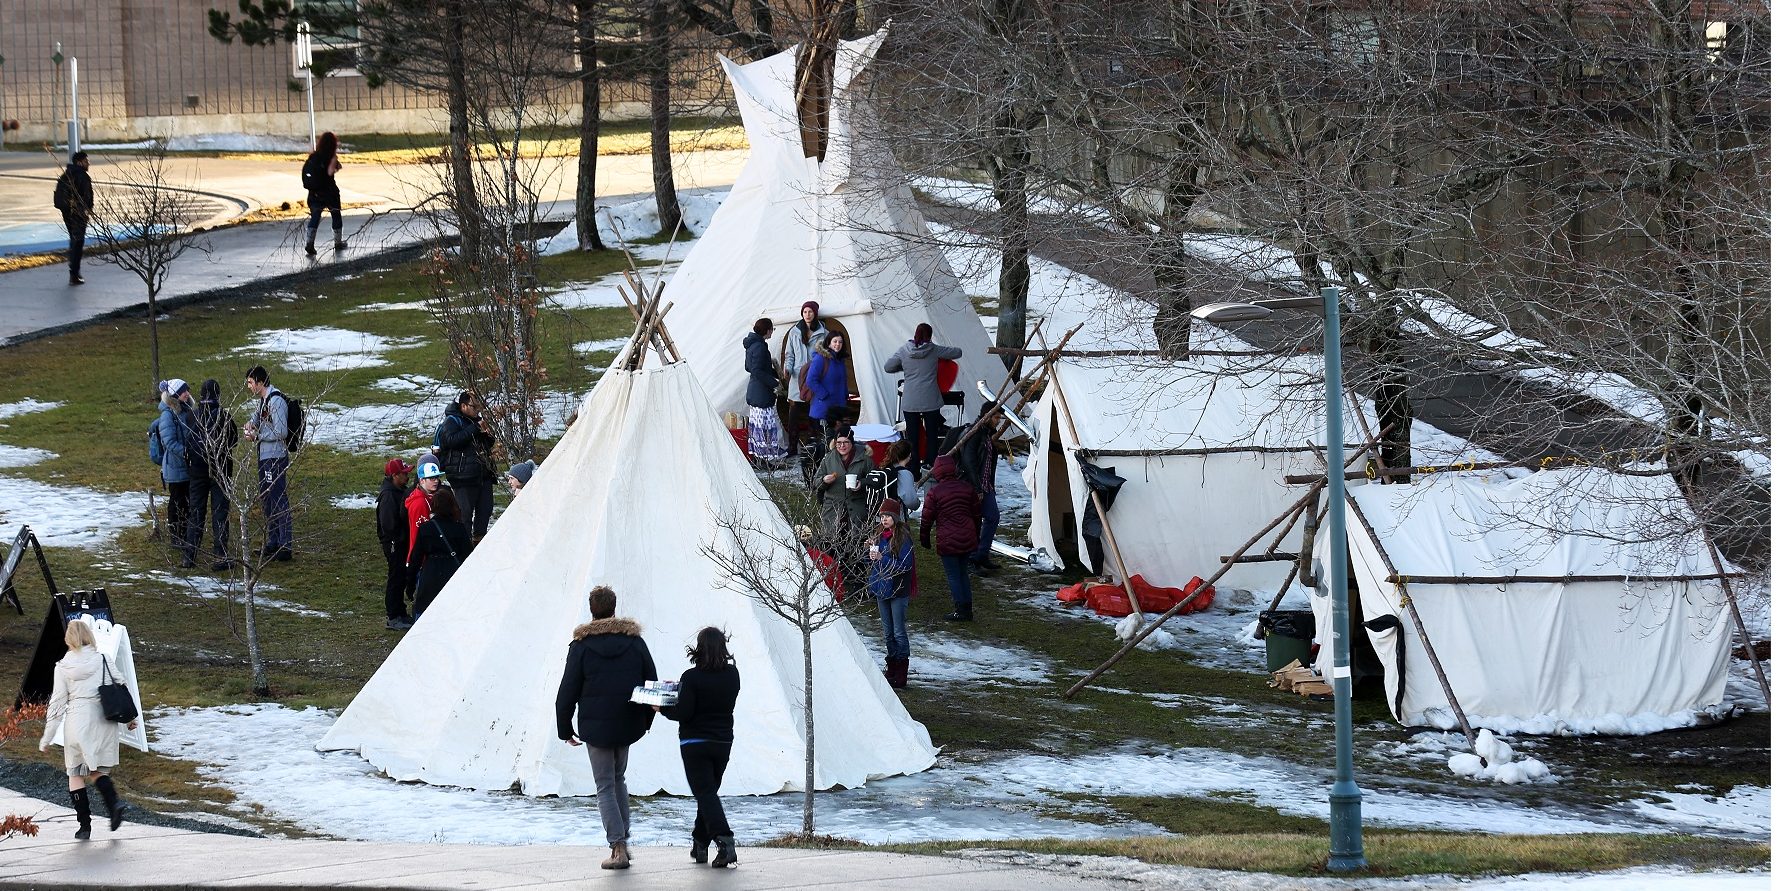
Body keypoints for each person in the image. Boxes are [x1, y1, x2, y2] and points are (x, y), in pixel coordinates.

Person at [556, 586, 657, 871]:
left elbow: (568, 691)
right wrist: (645, 722)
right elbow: (651, 682)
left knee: (604, 785)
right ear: (614, 607)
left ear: (592, 609)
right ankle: (623, 838)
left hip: (596, 726)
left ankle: (618, 847)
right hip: (627, 722)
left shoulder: (581, 646)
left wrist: (565, 729)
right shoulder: (634, 642)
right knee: (618, 779)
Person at [38, 619, 137, 839]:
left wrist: (47, 737)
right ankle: (114, 804)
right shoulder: (103, 659)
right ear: (89, 636)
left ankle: (84, 826)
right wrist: (130, 718)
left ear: (69, 639)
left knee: (75, 773)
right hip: (104, 719)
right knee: (96, 770)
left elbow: (57, 703)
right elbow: (121, 686)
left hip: (77, 721)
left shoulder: (63, 667)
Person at [656, 627, 741, 869]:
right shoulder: (733, 675)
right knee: (709, 793)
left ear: (699, 648)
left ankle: (725, 842)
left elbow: (684, 712)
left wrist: (661, 707)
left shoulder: (691, 677)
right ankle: (700, 843)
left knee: (705, 794)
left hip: (695, 743)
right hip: (723, 741)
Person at [883, 323, 964, 468]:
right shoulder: (933, 350)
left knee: (912, 437)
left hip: (910, 400)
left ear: (915, 334)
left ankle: (912, 469)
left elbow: (888, 367)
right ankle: (931, 468)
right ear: (930, 335)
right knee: (932, 436)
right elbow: (957, 352)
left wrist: (905, 366)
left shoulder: (904, 350)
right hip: (930, 399)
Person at [183, 378, 238, 572]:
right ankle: (220, 555)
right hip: (220, 470)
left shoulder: (192, 416)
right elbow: (233, 440)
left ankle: (189, 555)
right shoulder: (224, 416)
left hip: (197, 470)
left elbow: (186, 441)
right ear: (218, 394)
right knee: (219, 513)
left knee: (195, 511)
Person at [920, 455, 982, 621]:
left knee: (953, 576)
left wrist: (924, 539)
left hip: (947, 540)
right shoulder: (967, 488)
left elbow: (926, 519)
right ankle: (967, 608)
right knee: (963, 574)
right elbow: (977, 515)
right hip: (967, 537)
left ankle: (960, 610)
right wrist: (976, 535)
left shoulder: (935, 493)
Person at [943, 403, 1002, 575]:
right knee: (972, 523)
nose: (998, 421)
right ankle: (970, 559)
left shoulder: (985, 434)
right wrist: (976, 487)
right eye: (996, 417)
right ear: (987, 415)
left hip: (984, 485)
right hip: (973, 485)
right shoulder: (975, 433)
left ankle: (981, 554)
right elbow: (969, 461)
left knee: (992, 517)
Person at [243, 366, 294, 561]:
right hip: (265, 456)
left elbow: (281, 432)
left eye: (250, 382)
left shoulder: (276, 401)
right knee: (267, 498)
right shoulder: (263, 401)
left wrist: (258, 435)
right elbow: (256, 419)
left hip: (275, 457)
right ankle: (273, 540)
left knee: (279, 498)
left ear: (260, 382)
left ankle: (285, 544)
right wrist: (250, 425)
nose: (248, 386)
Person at [435, 390, 496, 544]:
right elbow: (452, 440)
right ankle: (464, 547)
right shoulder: (452, 421)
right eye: (474, 407)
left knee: (485, 510)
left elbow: (488, 445)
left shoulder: (476, 422)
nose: (477, 410)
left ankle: (479, 541)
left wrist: (487, 434)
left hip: (483, 474)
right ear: (463, 406)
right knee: (465, 515)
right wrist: (475, 428)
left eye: (479, 407)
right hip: (463, 476)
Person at [867, 499, 916, 689]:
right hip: (881, 588)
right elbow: (871, 562)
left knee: (898, 631)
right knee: (888, 632)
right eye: (882, 516)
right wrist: (868, 551)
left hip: (897, 589)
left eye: (887, 516)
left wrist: (882, 557)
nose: (884, 519)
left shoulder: (903, 538)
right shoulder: (879, 535)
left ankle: (901, 671)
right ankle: (892, 667)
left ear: (895, 517)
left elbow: (905, 566)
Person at [409, 487, 470, 619]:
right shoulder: (459, 528)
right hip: (453, 573)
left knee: (426, 614)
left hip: (431, 573)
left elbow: (416, 557)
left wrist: (410, 584)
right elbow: (468, 555)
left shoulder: (426, 528)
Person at [153, 380, 194, 566]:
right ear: (174, 395)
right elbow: (169, 442)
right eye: (183, 391)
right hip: (176, 466)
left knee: (187, 500)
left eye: (187, 390)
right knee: (177, 499)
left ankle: (185, 532)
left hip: (188, 466)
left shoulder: (186, 411)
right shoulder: (168, 415)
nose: (187, 393)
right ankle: (175, 535)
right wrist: (186, 452)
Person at [813, 427, 874, 548]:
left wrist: (861, 484)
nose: (842, 446)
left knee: (856, 545)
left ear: (852, 442)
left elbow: (874, 480)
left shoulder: (864, 459)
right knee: (833, 546)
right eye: (838, 442)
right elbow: (815, 481)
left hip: (856, 510)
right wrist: (824, 480)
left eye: (846, 442)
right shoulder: (828, 458)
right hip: (833, 511)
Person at [781, 301, 828, 456]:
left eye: (810, 312)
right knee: (794, 412)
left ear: (815, 313)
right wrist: (787, 369)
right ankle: (792, 446)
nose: (807, 315)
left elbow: (828, 356)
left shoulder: (824, 333)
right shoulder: (794, 332)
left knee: (813, 412)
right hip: (797, 377)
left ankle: (812, 446)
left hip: (815, 376)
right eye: (805, 312)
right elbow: (790, 355)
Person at [376, 458, 415, 630]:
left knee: (400, 577)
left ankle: (400, 612)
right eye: (404, 473)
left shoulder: (397, 491)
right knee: (396, 578)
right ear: (394, 475)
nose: (407, 476)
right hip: (394, 544)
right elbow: (388, 525)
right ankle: (393, 616)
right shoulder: (389, 496)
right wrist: (400, 539)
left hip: (398, 542)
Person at [742, 318, 787, 466]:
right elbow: (756, 370)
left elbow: (749, 367)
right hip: (761, 392)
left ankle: (759, 457)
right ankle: (769, 460)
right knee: (766, 427)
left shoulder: (751, 345)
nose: (772, 332)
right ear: (767, 330)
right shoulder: (760, 347)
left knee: (758, 427)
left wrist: (774, 372)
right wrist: (775, 383)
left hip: (755, 390)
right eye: (772, 329)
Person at [803, 332, 852, 446]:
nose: (837, 344)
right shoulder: (820, 359)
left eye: (840, 342)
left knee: (838, 440)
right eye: (835, 341)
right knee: (824, 442)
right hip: (823, 408)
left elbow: (842, 381)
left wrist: (845, 395)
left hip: (838, 407)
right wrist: (824, 395)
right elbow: (811, 380)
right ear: (828, 343)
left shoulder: (840, 360)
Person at [301, 131, 345, 256]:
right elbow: (330, 172)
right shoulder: (331, 156)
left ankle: (310, 242)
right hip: (329, 192)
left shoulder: (314, 156)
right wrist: (336, 166)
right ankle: (338, 242)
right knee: (335, 214)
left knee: (315, 216)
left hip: (314, 192)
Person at [52, 151, 93, 285]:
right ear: (79, 162)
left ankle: (73, 272)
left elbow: (59, 196)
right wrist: (86, 211)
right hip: (78, 214)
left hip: (67, 213)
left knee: (73, 240)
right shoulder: (82, 176)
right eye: (86, 161)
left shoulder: (66, 175)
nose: (88, 163)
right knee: (78, 242)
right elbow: (87, 197)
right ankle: (74, 274)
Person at [406, 460, 445, 572]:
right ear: (422, 480)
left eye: (437, 477)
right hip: (423, 560)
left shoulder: (428, 497)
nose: (436, 481)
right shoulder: (420, 503)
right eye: (432, 478)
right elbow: (420, 535)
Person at [881, 440, 921, 519]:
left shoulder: (885, 469)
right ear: (909, 454)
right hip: (895, 518)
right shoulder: (904, 474)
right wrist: (918, 503)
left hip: (881, 517)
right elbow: (911, 502)